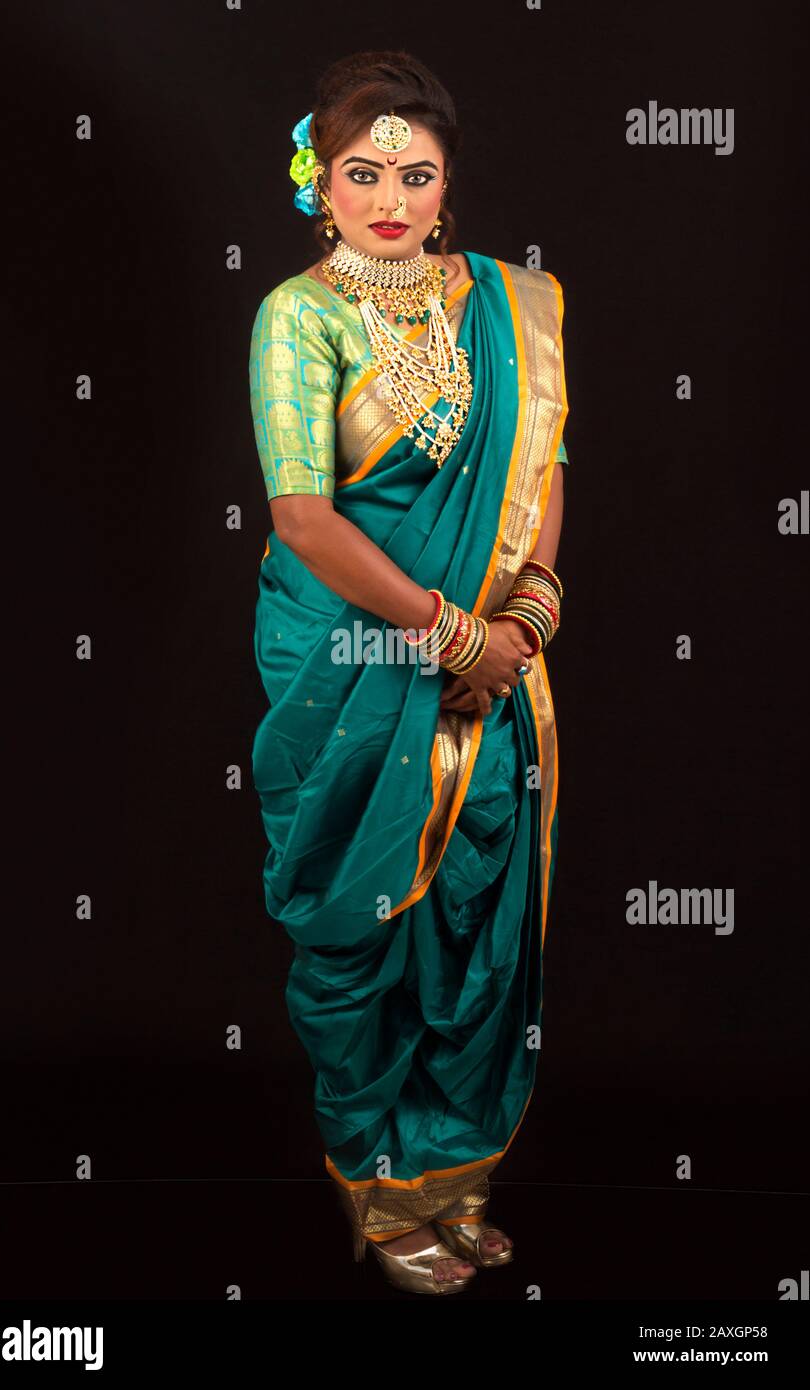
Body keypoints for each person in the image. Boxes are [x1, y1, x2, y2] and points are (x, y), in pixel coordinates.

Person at [248, 50, 570, 1296]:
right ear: (318, 184)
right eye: (362, 171)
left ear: (447, 186)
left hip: (501, 662)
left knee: (471, 916)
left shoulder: (516, 306)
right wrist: (450, 639)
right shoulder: (298, 312)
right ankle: (378, 1199)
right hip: (347, 663)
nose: (390, 196)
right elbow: (301, 517)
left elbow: (541, 474)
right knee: (358, 931)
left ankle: (447, 1176)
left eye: (415, 173)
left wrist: (523, 623)